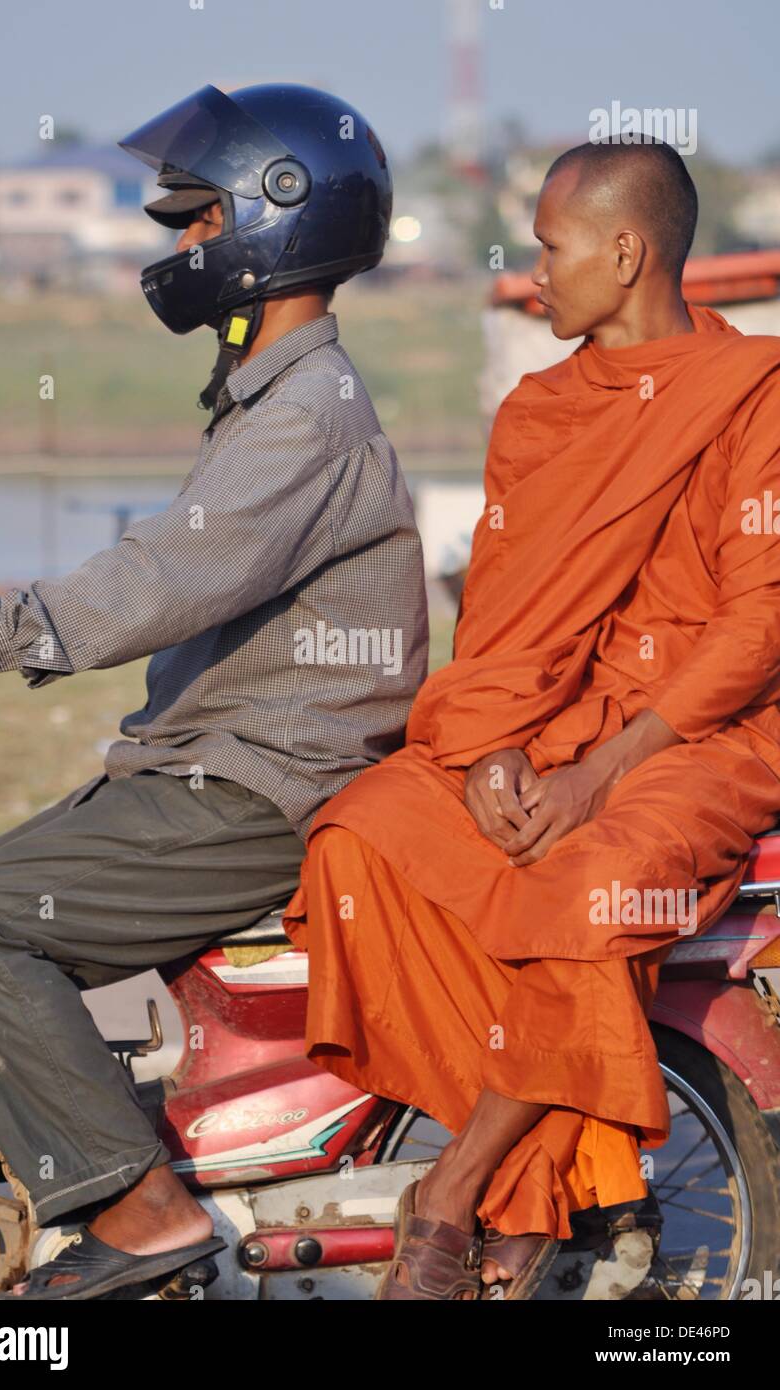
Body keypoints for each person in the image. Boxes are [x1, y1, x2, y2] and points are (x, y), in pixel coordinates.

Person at [0, 82, 428, 1301]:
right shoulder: (267, 395)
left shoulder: (307, 413)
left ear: (271, 220)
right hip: (202, 762)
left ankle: (141, 1211)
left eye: (196, 224)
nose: (181, 249)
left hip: (260, 786)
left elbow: (161, 578)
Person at [281, 137, 780, 1300]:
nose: (533, 273)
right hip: (547, 725)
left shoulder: (752, 397)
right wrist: (489, 751)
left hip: (696, 738)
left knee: (587, 888)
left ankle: (452, 1191)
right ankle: (541, 1183)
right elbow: (500, 623)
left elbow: (756, 629)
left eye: (549, 250)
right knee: (360, 835)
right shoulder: (535, 412)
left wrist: (596, 773)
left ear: (624, 249)